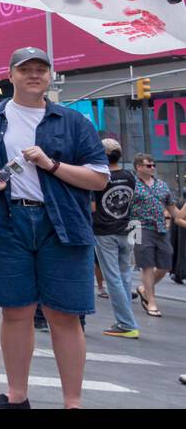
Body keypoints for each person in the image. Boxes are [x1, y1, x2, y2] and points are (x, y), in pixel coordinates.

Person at [0, 47, 110, 410]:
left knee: (64, 315)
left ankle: (73, 403)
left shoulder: (73, 122)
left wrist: (51, 165)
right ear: (11, 75)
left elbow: (99, 178)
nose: (34, 75)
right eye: (25, 69)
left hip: (63, 223)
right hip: (7, 221)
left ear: (50, 76)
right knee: (15, 311)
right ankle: (17, 396)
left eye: (41, 69)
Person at [91, 140, 139, 339]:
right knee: (125, 275)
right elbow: (132, 202)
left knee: (113, 278)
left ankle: (127, 323)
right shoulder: (129, 176)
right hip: (126, 228)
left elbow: (93, 207)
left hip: (105, 230)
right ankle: (125, 320)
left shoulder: (100, 178)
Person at [129, 153, 180, 320]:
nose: (152, 168)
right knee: (147, 265)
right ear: (139, 167)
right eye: (148, 165)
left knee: (166, 264)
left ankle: (144, 289)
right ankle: (151, 302)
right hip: (138, 227)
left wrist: (181, 216)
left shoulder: (162, 186)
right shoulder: (132, 184)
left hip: (160, 228)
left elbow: (174, 211)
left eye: (153, 165)